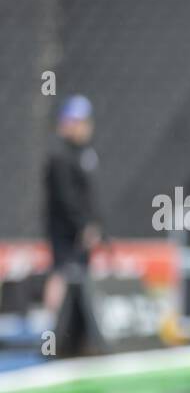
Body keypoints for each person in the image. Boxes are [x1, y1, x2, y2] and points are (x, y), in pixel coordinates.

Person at [43, 94, 102, 330]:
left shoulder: (85, 155)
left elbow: (89, 195)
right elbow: (66, 198)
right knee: (61, 273)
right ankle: (51, 329)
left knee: (81, 275)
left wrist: (95, 224)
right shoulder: (60, 156)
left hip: (81, 229)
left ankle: (75, 328)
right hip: (65, 230)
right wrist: (83, 225)